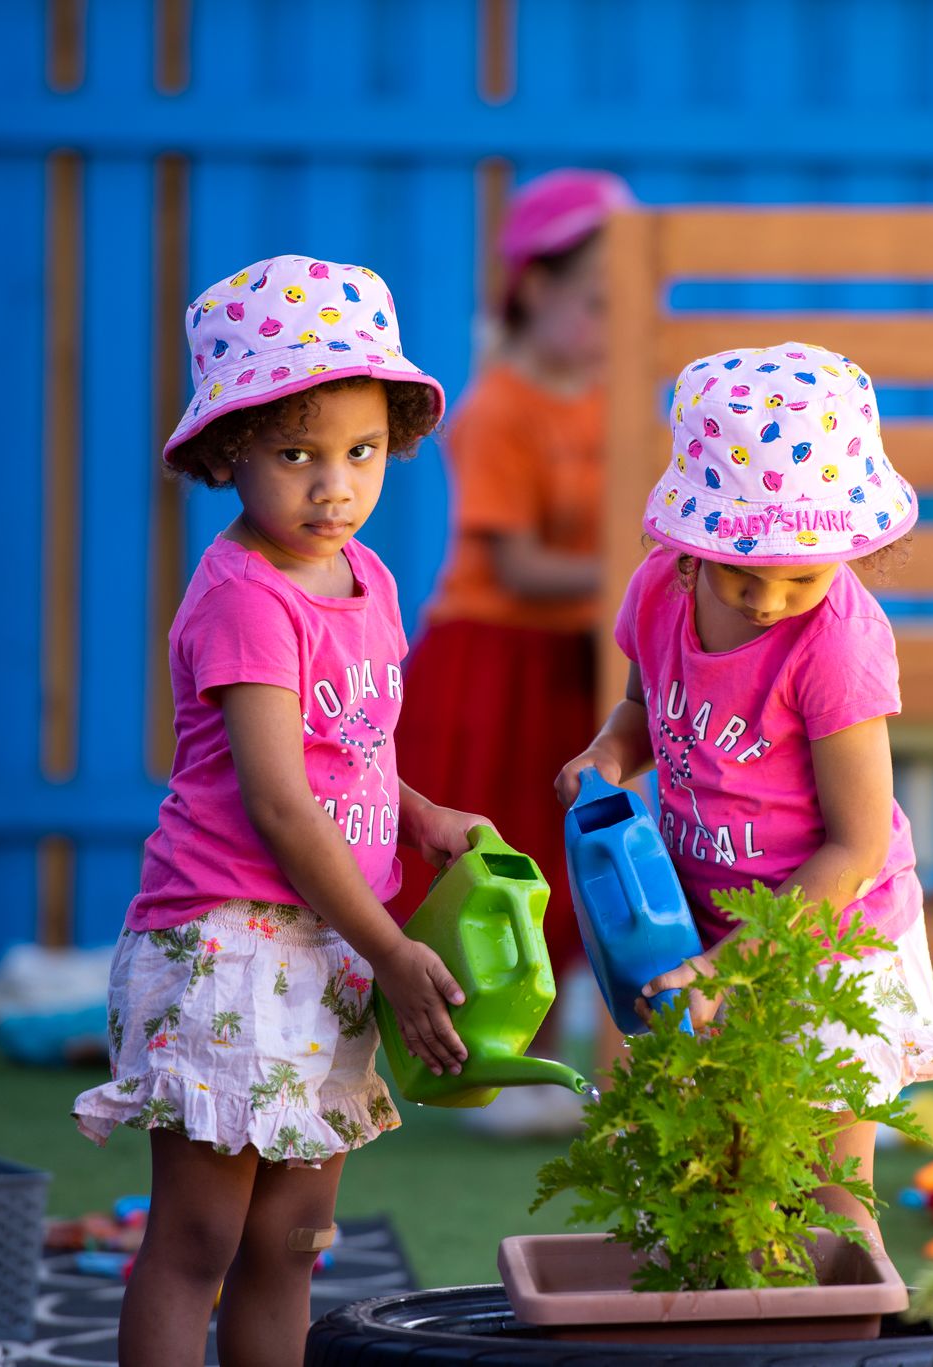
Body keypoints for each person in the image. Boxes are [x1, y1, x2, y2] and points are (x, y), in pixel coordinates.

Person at [73, 256, 490, 1366]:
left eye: (358, 453)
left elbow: (345, 750)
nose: (333, 486)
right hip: (230, 941)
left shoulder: (370, 582)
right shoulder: (243, 597)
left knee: (294, 1237)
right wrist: (396, 951)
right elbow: (278, 802)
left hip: (333, 939)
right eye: (295, 454)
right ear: (229, 452)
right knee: (200, 1232)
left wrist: (417, 813)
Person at [555, 342, 933, 1246]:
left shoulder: (840, 646)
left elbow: (855, 848)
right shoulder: (660, 594)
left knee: (825, 1191)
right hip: (699, 928)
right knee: (718, 1177)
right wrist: (606, 755)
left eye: (803, 575)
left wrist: (734, 968)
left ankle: (854, 1337)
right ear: (691, 547)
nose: (771, 599)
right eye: (744, 572)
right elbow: (640, 709)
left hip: (828, 943)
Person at [395, 169, 634, 1137]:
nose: (615, 323)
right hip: (491, 658)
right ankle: (467, 1055)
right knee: (484, 858)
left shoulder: (618, 405)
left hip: (573, 663)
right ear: (534, 288)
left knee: (573, 857)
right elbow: (519, 563)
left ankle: (543, 1051)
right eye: (595, 302)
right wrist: (629, 576)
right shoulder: (499, 406)